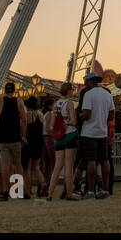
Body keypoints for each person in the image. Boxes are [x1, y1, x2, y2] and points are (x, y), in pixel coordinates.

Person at [77, 70, 114, 198]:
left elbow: (86, 115)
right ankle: (105, 189)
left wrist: (79, 116)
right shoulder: (107, 94)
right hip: (102, 132)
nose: (84, 84)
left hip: (89, 132)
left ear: (91, 81)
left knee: (91, 161)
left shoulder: (88, 94)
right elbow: (111, 115)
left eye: (86, 81)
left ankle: (91, 190)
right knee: (105, 160)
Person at [0, 82, 26, 201]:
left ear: (5, 91)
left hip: (2, 137)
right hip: (15, 137)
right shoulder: (19, 101)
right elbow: (24, 120)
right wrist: (23, 135)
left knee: (5, 165)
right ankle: (18, 190)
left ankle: (5, 191)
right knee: (17, 164)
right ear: (14, 91)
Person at [47, 82, 80, 201]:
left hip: (58, 138)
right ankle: (69, 193)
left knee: (57, 166)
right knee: (69, 166)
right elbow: (74, 121)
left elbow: (51, 125)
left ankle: (49, 194)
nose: (73, 91)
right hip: (69, 135)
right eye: (72, 90)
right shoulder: (69, 104)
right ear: (69, 91)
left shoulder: (56, 104)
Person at [22, 97, 44, 199]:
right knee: (36, 167)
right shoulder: (40, 115)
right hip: (39, 142)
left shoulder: (28, 115)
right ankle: (43, 184)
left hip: (29, 142)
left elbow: (25, 128)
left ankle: (28, 190)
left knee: (27, 169)